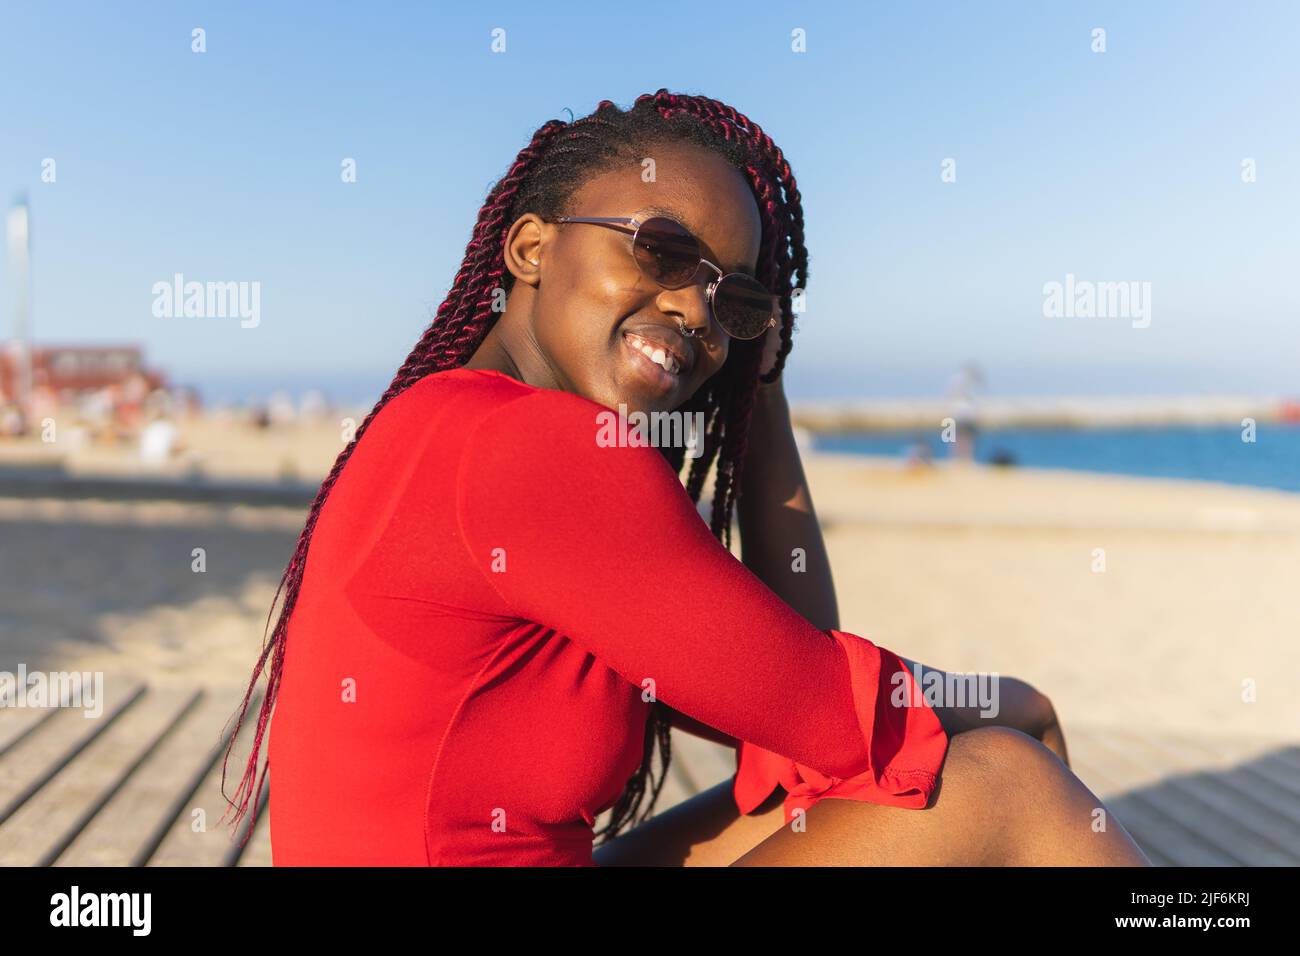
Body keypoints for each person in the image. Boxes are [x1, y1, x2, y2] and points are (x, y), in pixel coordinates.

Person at [223, 90, 1149, 867]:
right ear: (532, 249)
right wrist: (1016, 700)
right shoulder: (539, 448)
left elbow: (795, 701)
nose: (693, 308)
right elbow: (826, 711)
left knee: (924, 762)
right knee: (1011, 777)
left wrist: (763, 399)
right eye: (661, 252)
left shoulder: (444, 419)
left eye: (736, 299)